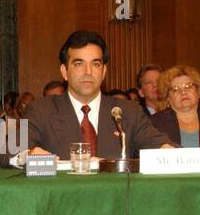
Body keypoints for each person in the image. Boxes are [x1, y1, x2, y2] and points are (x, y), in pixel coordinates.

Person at [19, 31, 171, 161]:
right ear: (64, 71)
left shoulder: (128, 111)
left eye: (95, 64)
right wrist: (28, 155)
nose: (88, 71)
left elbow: (160, 144)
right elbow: (10, 151)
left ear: (104, 71)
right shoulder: (40, 109)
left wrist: (165, 149)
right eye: (79, 64)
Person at [150, 65, 200, 147]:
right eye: (175, 89)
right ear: (168, 97)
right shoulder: (155, 124)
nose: (183, 92)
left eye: (188, 86)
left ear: (199, 91)